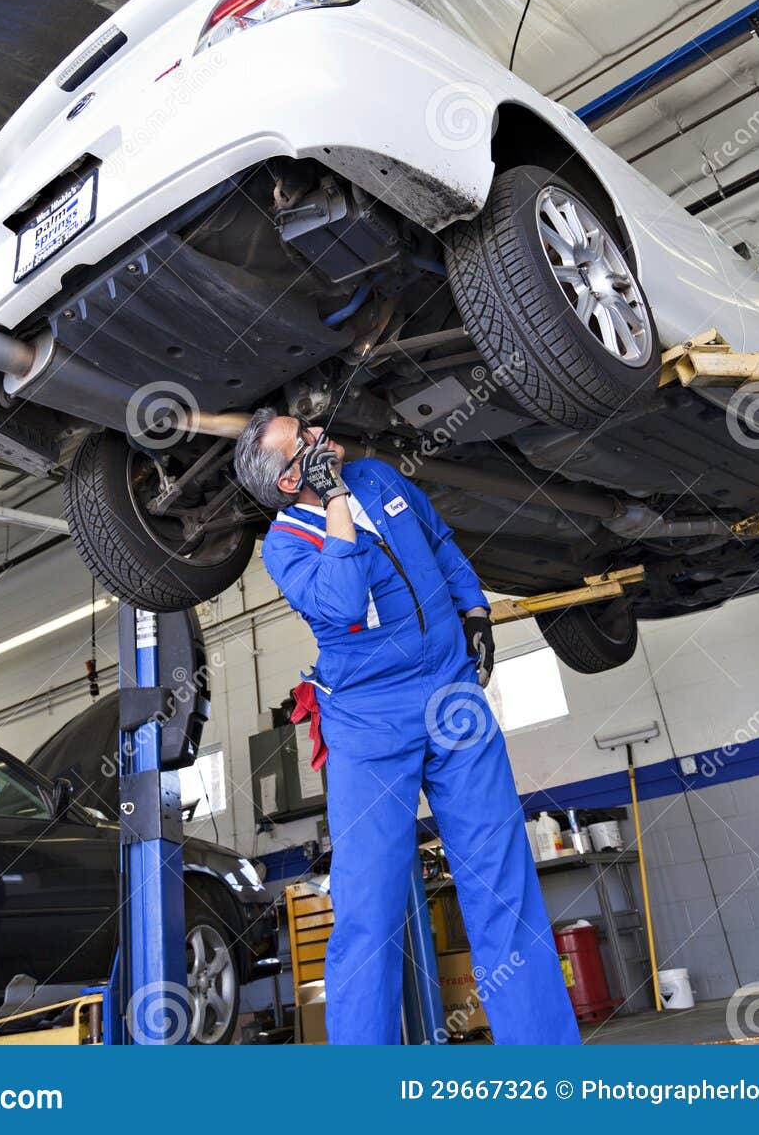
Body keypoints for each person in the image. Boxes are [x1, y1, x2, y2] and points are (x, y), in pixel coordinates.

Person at [232, 409, 580, 1046]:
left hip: (451, 692)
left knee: (503, 885)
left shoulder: (375, 477)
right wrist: (333, 497)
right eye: (302, 439)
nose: (316, 430)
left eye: (306, 422)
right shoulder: (285, 545)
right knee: (371, 911)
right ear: (290, 481)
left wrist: (473, 607)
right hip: (369, 722)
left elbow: (438, 539)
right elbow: (338, 604)